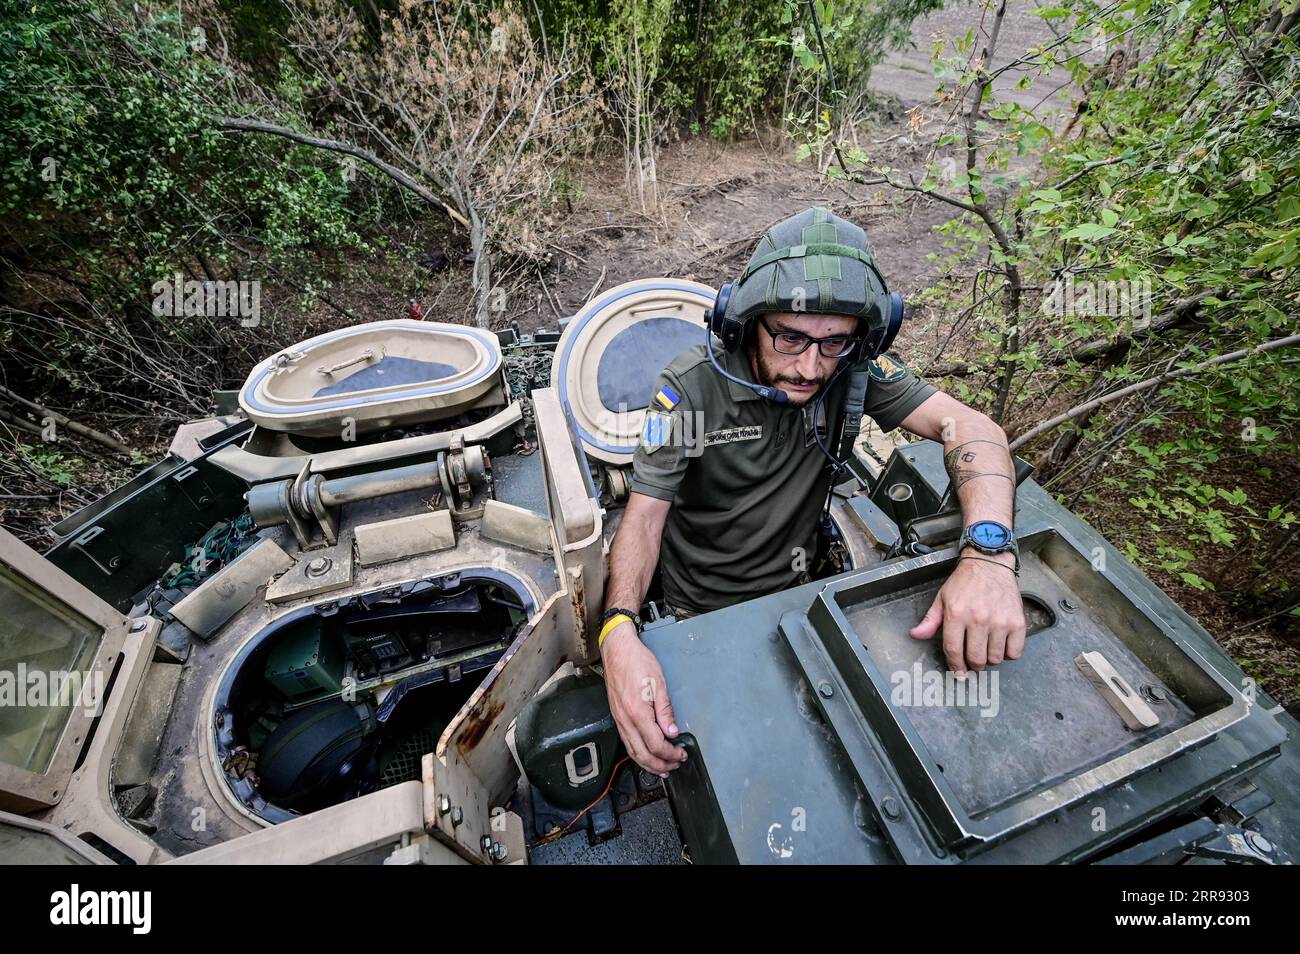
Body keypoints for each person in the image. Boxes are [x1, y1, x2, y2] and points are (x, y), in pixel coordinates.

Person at [599, 207, 1026, 777]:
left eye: (833, 344)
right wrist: (618, 632)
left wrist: (989, 556)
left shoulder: (851, 372)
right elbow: (644, 517)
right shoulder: (689, 388)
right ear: (747, 321)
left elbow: (975, 429)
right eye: (790, 336)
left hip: (798, 596)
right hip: (698, 609)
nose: (808, 365)